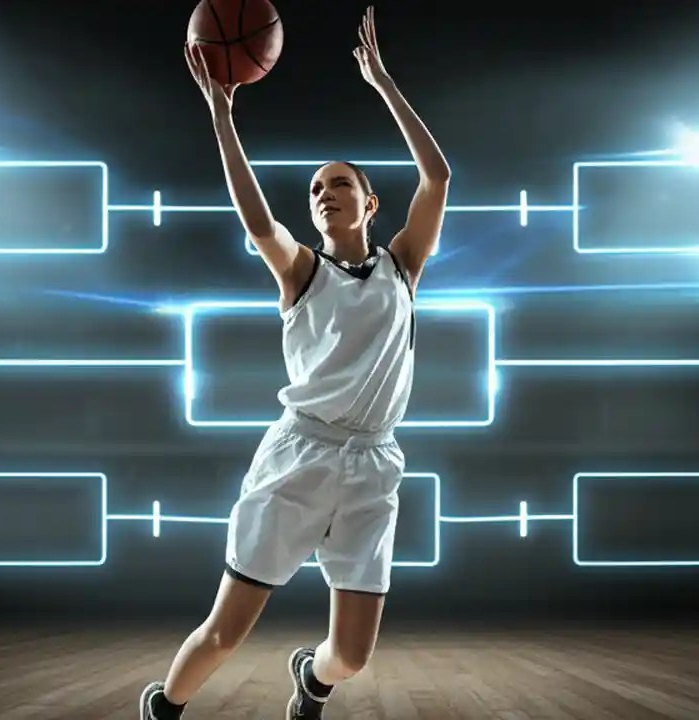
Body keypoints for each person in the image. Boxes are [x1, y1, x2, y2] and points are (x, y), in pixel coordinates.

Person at [141, 7, 449, 718]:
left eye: (339, 183)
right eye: (314, 189)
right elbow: (256, 220)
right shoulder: (302, 272)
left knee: (355, 656)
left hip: (375, 462)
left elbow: (436, 177)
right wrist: (222, 115)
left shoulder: (402, 266)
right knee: (224, 633)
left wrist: (383, 83)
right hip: (299, 455)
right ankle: (163, 706)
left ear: (370, 202)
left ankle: (311, 676)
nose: (323, 193)